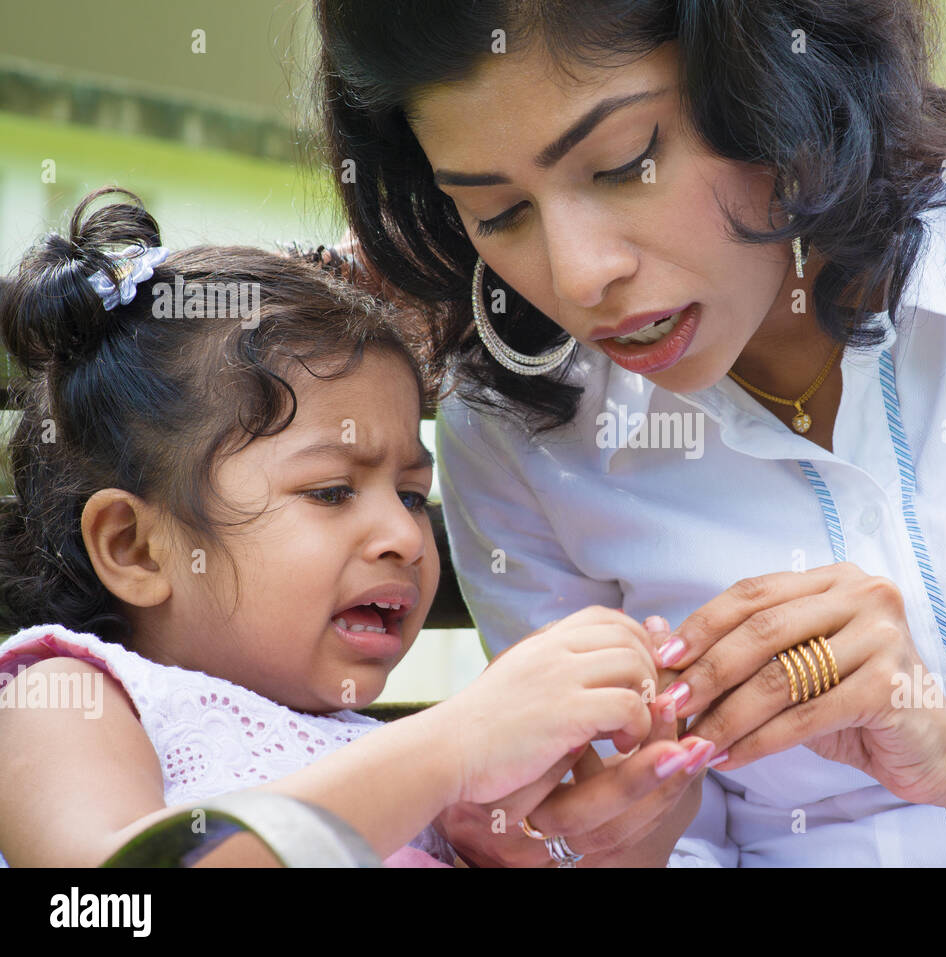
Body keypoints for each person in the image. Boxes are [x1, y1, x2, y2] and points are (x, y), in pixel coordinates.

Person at [316, 0, 946, 867]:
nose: (578, 276)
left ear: (779, 83)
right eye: (497, 211)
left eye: (623, 165)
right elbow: (649, 836)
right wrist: (615, 835)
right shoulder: (516, 427)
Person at [0, 187, 715, 868]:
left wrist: (638, 811)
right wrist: (448, 750)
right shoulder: (72, 696)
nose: (406, 538)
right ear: (136, 546)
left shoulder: (392, 762)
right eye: (332, 491)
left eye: (410, 494)